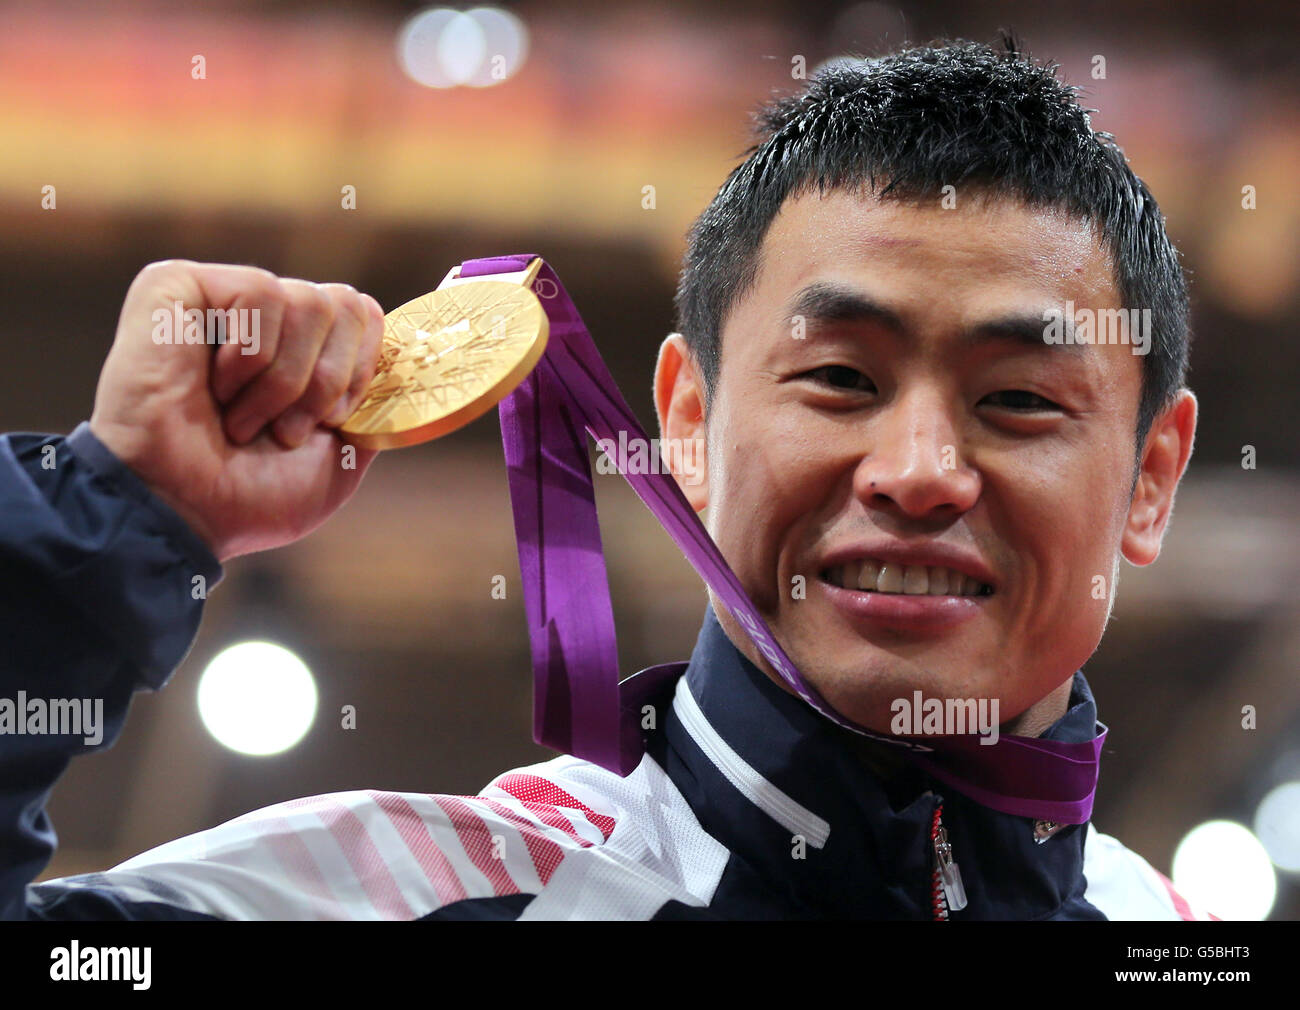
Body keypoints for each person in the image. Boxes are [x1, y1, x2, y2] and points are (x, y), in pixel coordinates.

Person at [1, 38, 1216, 920]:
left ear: (1150, 478)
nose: (915, 472)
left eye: (1015, 399)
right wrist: (98, 525)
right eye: (841, 378)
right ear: (686, 423)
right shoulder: (378, 897)